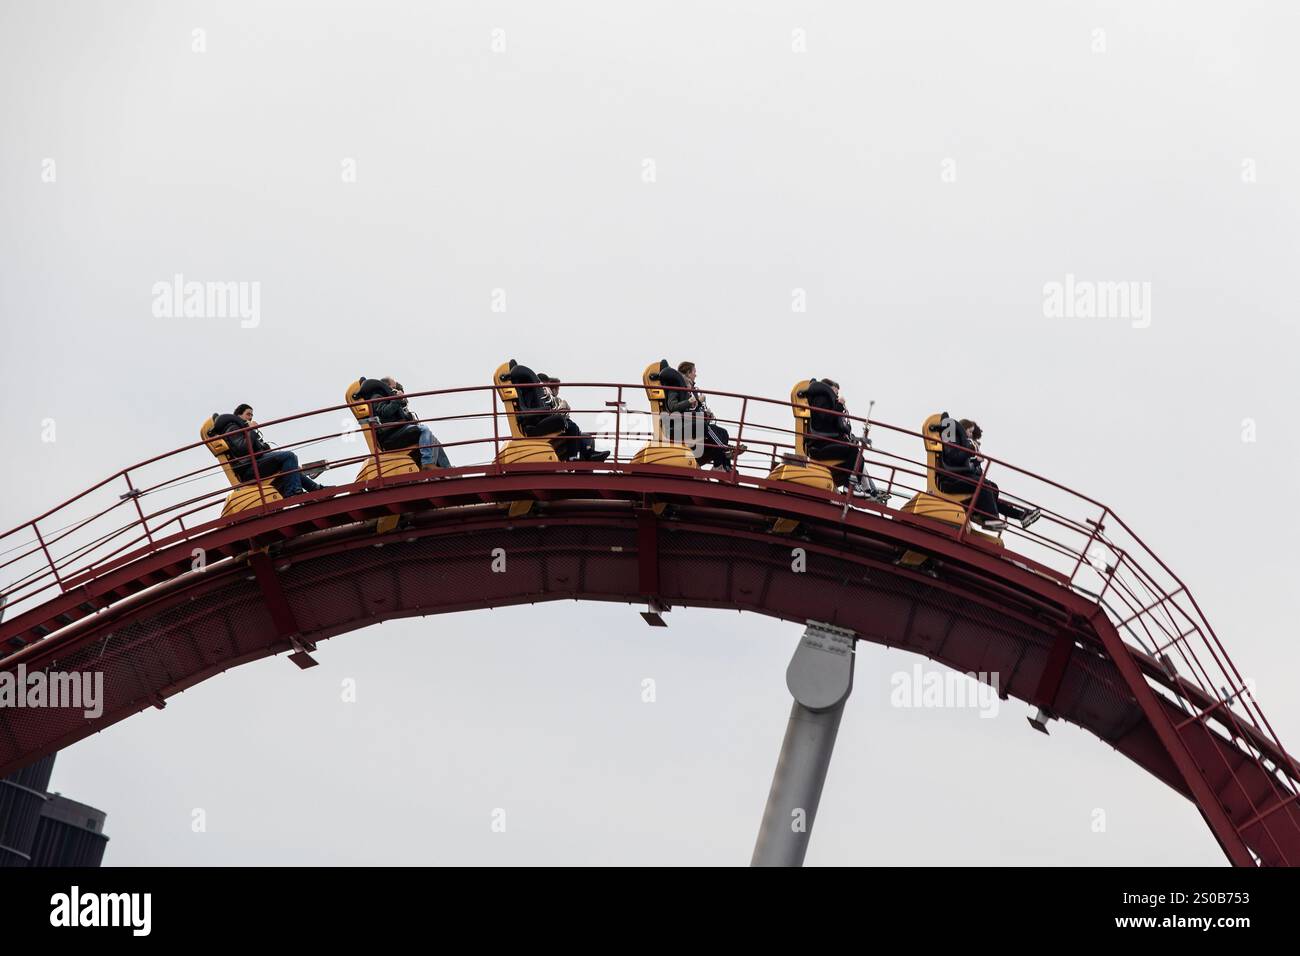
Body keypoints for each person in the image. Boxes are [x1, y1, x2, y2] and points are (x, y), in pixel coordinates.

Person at [934, 415, 1040, 531]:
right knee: (983, 486)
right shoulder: (955, 440)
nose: (970, 436)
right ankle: (989, 518)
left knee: (991, 489)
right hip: (950, 480)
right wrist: (972, 454)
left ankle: (1020, 515)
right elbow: (955, 460)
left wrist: (974, 459)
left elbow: (963, 465)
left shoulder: (961, 443)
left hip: (959, 477)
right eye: (970, 432)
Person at [213, 403, 324, 497]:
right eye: (248, 414)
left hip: (254, 463)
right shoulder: (232, 428)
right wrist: (250, 429)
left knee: (290, 465)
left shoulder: (241, 428)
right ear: (238, 415)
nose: (250, 417)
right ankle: (293, 492)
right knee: (289, 456)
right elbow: (243, 448)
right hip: (249, 469)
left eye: (251, 415)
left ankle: (314, 488)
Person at [804, 379, 888, 502]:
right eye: (835, 392)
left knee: (857, 455)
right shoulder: (821, 398)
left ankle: (869, 490)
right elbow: (825, 419)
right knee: (853, 451)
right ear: (827, 388)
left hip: (823, 443)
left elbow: (832, 423)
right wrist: (839, 406)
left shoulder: (826, 400)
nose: (837, 395)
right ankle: (852, 487)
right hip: (819, 446)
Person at [355, 377, 450, 470]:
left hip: (396, 432)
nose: (396, 389)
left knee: (433, 440)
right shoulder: (376, 397)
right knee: (423, 429)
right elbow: (385, 412)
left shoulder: (388, 398)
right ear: (387, 386)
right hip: (389, 437)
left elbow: (398, 417)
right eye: (394, 386)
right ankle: (427, 463)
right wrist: (397, 399)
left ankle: (447, 469)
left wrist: (405, 412)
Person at [535, 373, 609, 462]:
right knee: (573, 427)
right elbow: (543, 411)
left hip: (551, 420)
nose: (548, 388)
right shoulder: (538, 395)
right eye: (547, 385)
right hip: (544, 424)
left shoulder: (545, 396)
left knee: (581, 433)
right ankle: (573, 457)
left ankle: (589, 453)